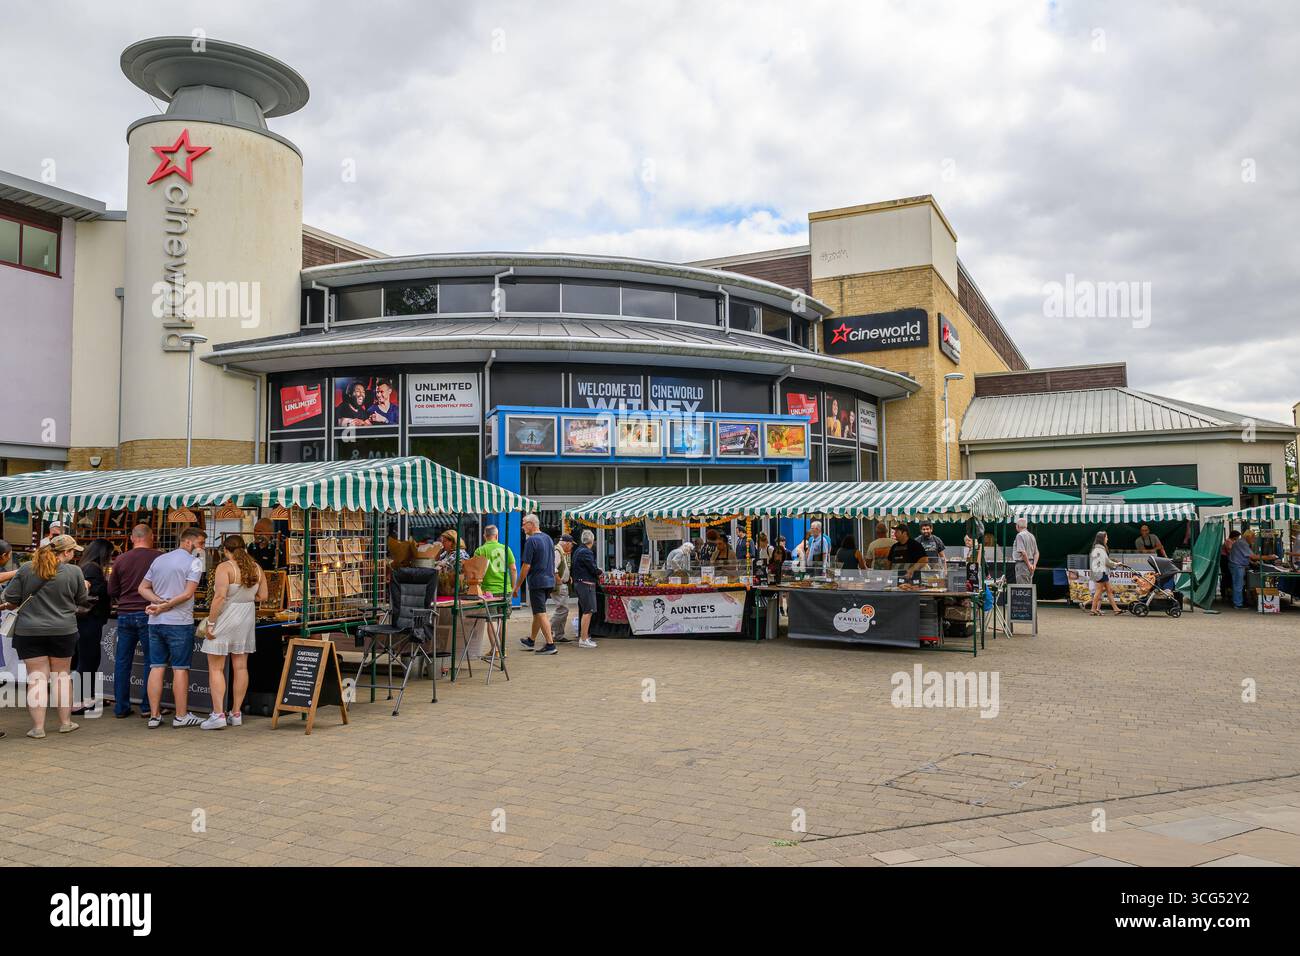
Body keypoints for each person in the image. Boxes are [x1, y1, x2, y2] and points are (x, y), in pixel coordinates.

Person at [2, 534, 86, 738]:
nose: (74, 555)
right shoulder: (75, 572)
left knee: (37, 678)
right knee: (62, 676)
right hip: (63, 630)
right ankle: (65, 722)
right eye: (73, 551)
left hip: (29, 631)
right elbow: (81, 599)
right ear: (65, 552)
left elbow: (11, 598)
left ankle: (38, 728)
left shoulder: (27, 569)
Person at [139, 526, 208, 728]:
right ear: (188, 541)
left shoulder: (159, 559)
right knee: (180, 669)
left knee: (156, 666)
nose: (202, 547)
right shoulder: (194, 562)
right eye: (201, 543)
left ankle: (154, 715)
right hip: (179, 621)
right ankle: (180, 715)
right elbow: (188, 594)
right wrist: (165, 605)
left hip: (156, 622)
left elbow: (142, 588)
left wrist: (158, 602)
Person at [199, 535, 267, 730]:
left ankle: (218, 713)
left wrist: (211, 623)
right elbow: (263, 595)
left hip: (226, 617)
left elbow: (219, 597)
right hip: (246, 617)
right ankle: (236, 712)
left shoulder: (225, 567)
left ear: (225, 550)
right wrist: (246, 596)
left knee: (216, 668)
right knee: (241, 667)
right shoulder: (256, 567)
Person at [106, 524, 162, 718]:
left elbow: (111, 591)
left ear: (131, 538)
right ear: (152, 536)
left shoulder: (120, 559)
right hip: (149, 613)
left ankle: (121, 707)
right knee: (151, 662)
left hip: (124, 614)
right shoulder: (159, 557)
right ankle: (148, 707)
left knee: (122, 662)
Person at [72, 538, 113, 715]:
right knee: (88, 659)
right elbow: (92, 593)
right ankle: (79, 701)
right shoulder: (92, 569)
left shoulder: (85, 566)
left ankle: (86, 698)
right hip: (89, 620)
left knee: (88, 658)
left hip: (86, 620)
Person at [513, 514, 557, 655]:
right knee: (538, 612)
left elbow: (526, 566)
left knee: (540, 613)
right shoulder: (548, 538)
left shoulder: (531, 541)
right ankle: (531, 640)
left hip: (537, 582)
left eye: (524, 523)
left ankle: (550, 645)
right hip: (549, 581)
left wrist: (518, 585)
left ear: (531, 524)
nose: (522, 526)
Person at [572, 530, 603, 648]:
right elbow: (593, 569)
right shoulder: (586, 552)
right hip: (586, 584)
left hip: (580, 583)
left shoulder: (578, 550)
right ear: (592, 540)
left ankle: (584, 636)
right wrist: (600, 571)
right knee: (588, 611)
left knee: (585, 610)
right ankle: (584, 639)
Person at [474, 525, 517, 597]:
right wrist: (513, 587)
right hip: (505, 589)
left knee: (491, 608)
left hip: (488, 590)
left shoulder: (479, 551)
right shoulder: (506, 548)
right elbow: (513, 569)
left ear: (484, 536)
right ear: (497, 536)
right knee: (505, 608)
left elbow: (476, 572)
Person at [1088, 531, 1122, 615]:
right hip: (1101, 572)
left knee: (1108, 590)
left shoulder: (1096, 548)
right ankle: (1093, 609)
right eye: (1106, 537)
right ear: (1102, 538)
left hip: (1099, 572)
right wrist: (1116, 564)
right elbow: (1106, 562)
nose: (1107, 538)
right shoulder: (1100, 549)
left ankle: (1116, 609)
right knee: (1099, 591)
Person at [550, 533, 575, 642]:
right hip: (559, 585)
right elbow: (553, 568)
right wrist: (559, 581)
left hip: (563, 584)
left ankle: (559, 635)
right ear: (567, 543)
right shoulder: (557, 551)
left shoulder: (560, 551)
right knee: (563, 609)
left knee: (562, 609)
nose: (572, 547)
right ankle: (548, 628)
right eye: (571, 545)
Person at [1228, 528, 1258, 609]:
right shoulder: (1242, 543)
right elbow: (1253, 556)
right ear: (1248, 536)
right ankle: (1238, 604)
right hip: (1237, 566)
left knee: (1239, 585)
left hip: (1237, 565)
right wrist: (1269, 557)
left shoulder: (1242, 542)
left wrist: (1252, 562)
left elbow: (1244, 555)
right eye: (1253, 537)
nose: (1254, 539)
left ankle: (1238, 602)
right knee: (1238, 585)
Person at [1011, 517, 1039, 586]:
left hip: (1023, 565)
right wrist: (1034, 565)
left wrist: (1028, 564)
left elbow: (1023, 552)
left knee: (1022, 589)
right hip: (1031, 565)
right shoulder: (1032, 536)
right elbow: (1036, 553)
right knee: (1028, 588)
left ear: (1017, 526)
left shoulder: (1020, 535)